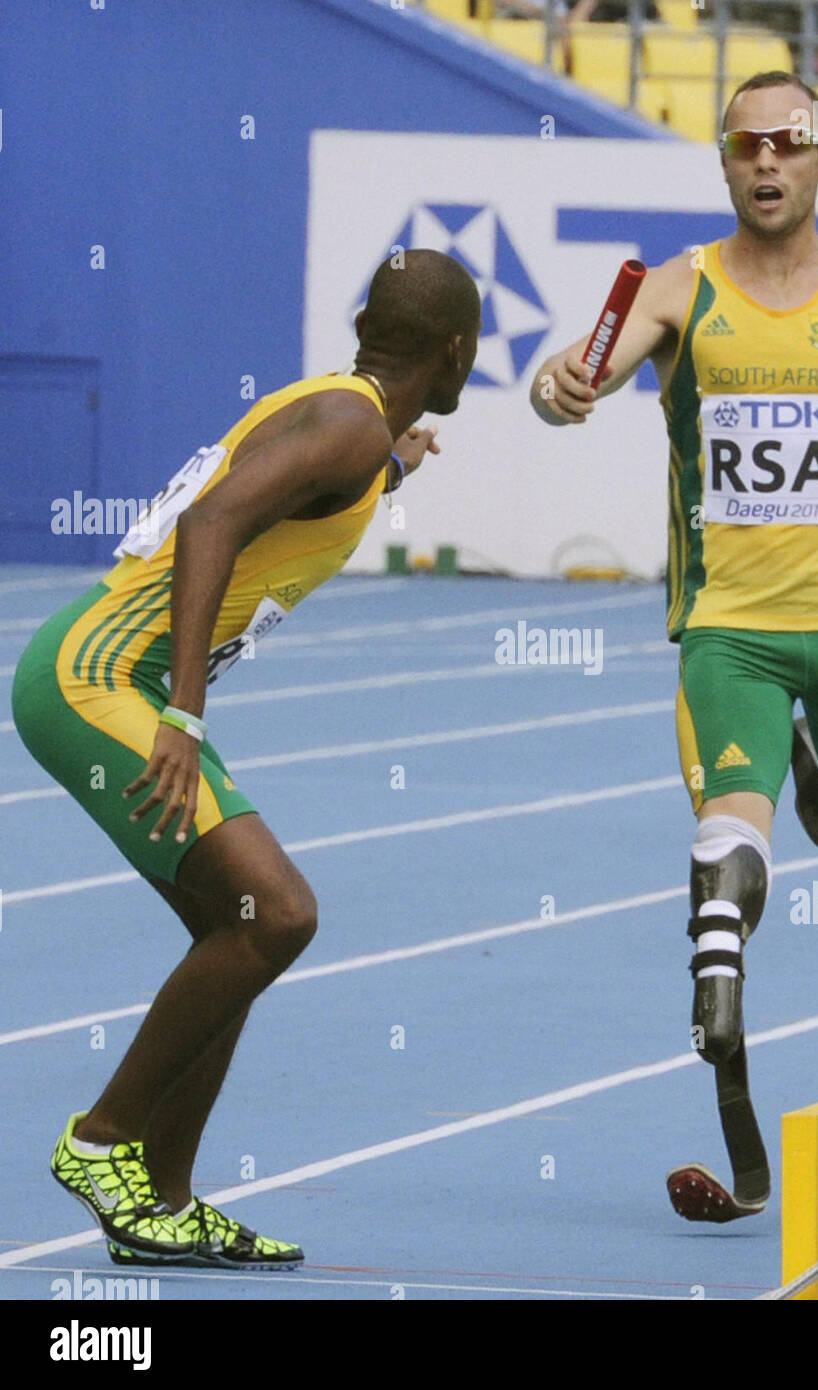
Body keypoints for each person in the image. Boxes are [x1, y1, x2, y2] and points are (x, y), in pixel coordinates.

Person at [529, 70, 818, 1221]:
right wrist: (557, 386)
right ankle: (717, 969)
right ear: (725, 159)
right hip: (729, 632)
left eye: (787, 146)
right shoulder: (678, 291)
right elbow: (565, 385)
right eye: (745, 146)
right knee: (718, 832)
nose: (766, 164)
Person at [12, 249, 481, 1266]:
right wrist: (184, 712)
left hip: (100, 677)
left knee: (236, 931)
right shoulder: (349, 425)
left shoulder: (350, 425)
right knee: (279, 912)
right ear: (455, 352)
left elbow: (302, 488)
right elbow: (211, 520)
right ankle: (101, 1141)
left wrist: (396, 462)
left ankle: (165, 1202)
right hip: (95, 681)